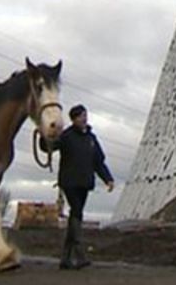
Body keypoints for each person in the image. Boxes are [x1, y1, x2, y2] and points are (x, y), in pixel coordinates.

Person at [41, 104, 115, 270]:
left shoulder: (91, 139)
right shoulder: (66, 136)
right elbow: (48, 147)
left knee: (76, 214)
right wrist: (44, 135)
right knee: (76, 212)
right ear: (74, 119)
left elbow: (98, 162)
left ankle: (65, 259)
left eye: (85, 116)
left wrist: (108, 179)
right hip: (69, 183)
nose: (84, 119)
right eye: (81, 116)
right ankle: (79, 254)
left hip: (85, 183)